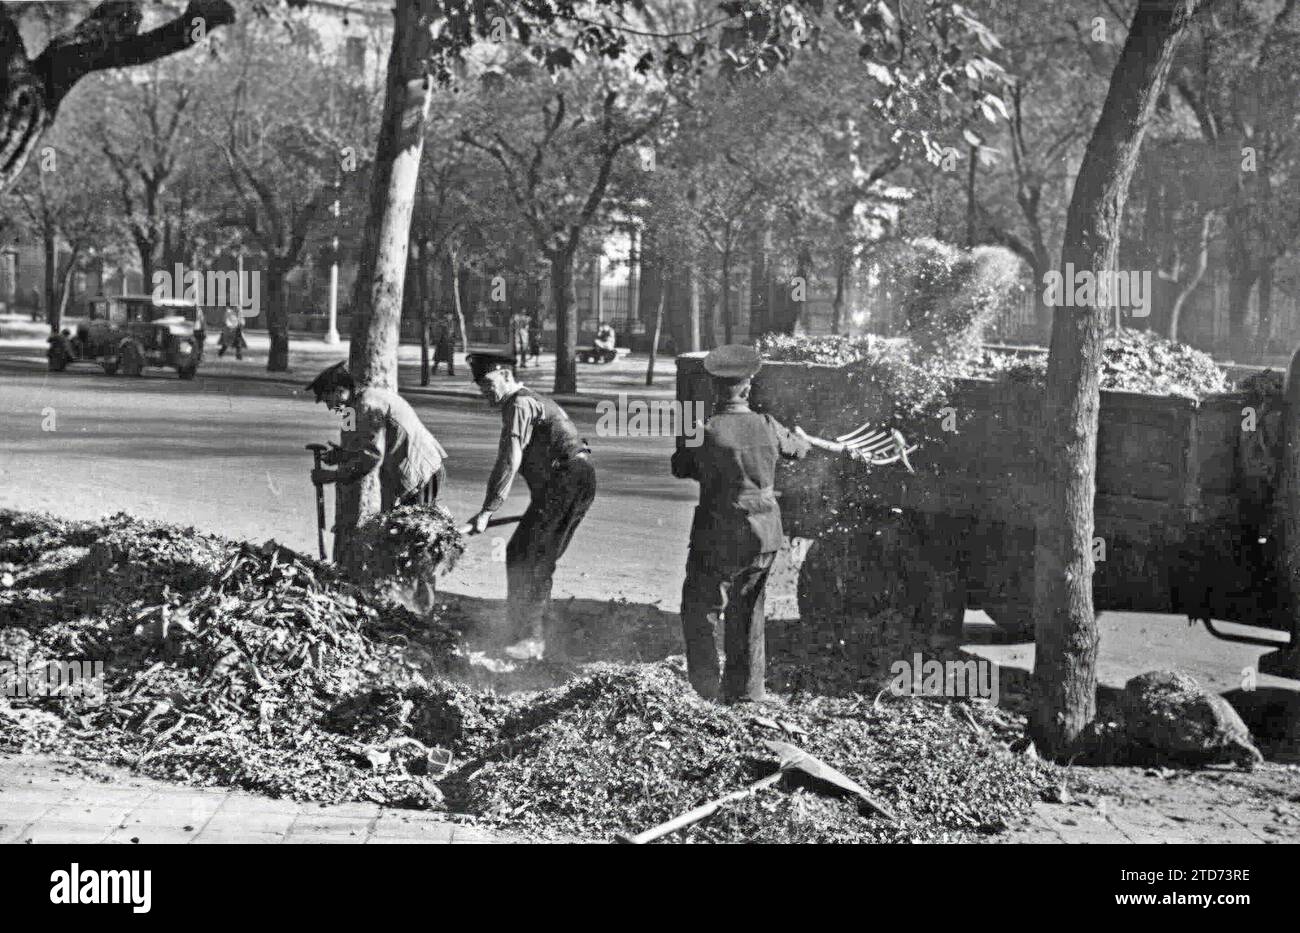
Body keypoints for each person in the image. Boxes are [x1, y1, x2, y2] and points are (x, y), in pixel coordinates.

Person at [670, 344, 860, 705]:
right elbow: (800, 449)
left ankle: (704, 692)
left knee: (701, 608)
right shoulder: (768, 425)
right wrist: (796, 439)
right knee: (749, 610)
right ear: (747, 388)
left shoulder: (704, 430)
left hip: (719, 533)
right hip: (766, 535)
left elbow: (680, 467)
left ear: (714, 389)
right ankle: (747, 694)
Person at [462, 351, 596, 661]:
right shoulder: (530, 400)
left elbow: (509, 460)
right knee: (538, 555)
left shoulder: (519, 404)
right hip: (575, 479)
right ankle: (536, 637)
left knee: (525, 554)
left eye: (487, 383)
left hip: (567, 479)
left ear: (505, 374)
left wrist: (486, 512)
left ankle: (528, 639)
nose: (484, 391)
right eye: (480, 386)